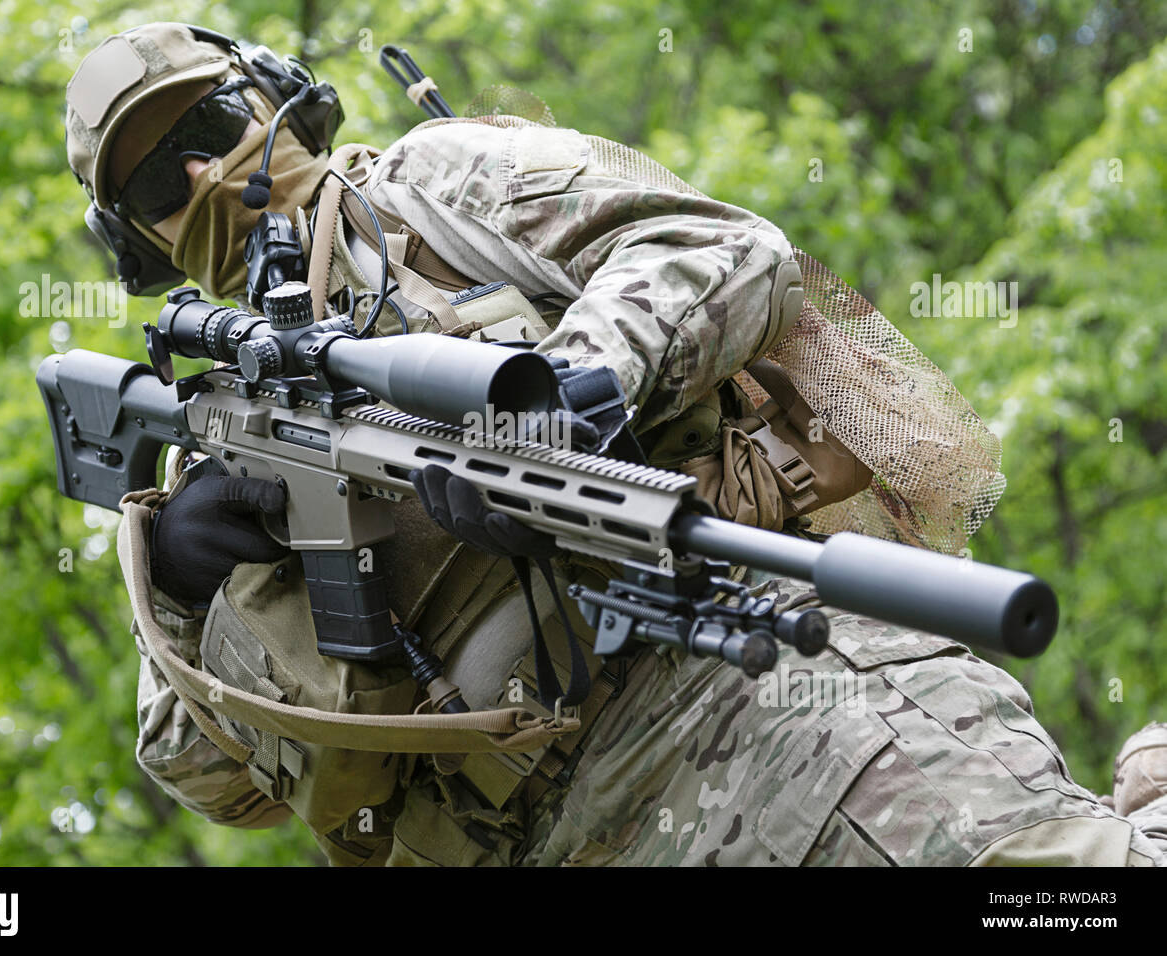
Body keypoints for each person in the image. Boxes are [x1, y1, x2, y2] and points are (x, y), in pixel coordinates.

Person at [64, 21, 1167, 865]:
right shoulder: (207, 437)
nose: (205, 178)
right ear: (141, 241)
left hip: (773, 711)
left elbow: (722, 246)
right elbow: (217, 777)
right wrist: (180, 575)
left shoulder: (425, 191)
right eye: (160, 182)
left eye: (208, 131)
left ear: (277, 101)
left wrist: (572, 391)